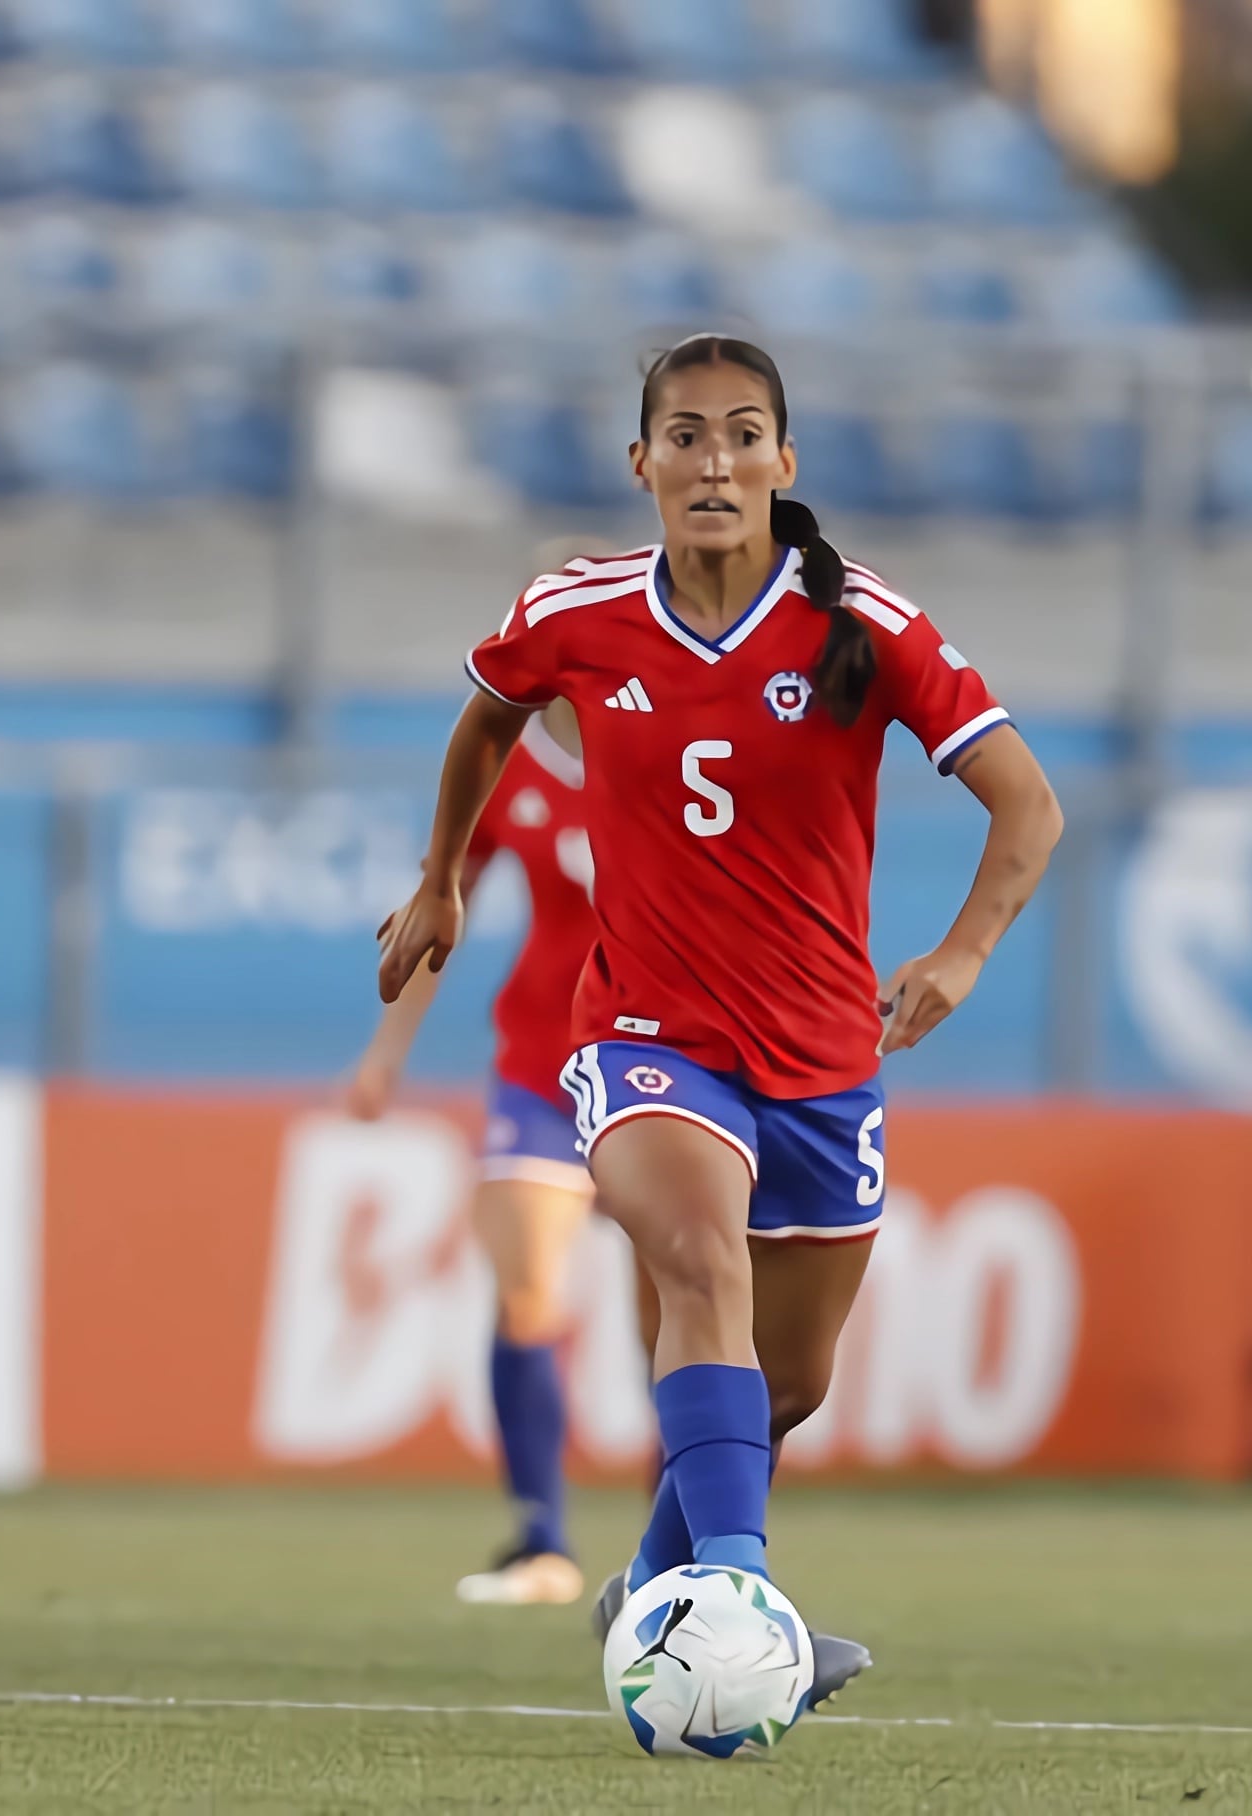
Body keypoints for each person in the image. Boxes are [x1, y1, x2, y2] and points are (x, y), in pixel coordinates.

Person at [378, 334, 1065, 1713]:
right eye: (685, 435)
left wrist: (965, 953)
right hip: (644, 1033)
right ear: (642, 463)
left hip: (823, 1057)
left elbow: (1028, 804)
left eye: (744, 434)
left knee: (786, 1389)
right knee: (697, 1265)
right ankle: (747, 1610)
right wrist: (441, 876)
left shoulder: (861, 622)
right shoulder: (576, 609)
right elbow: (487, 720)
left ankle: (656, 1592)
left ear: (783, 464)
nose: (714, 460)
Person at [345, 696, 597, 1606]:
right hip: (539, 1067)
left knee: (677, 1310)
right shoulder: (508, 768)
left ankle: (683, 1546)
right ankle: (543, 1543)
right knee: (528, 1290)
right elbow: (435, 914)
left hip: (663, 1058)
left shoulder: (684, 744)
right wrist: (385, 1054)